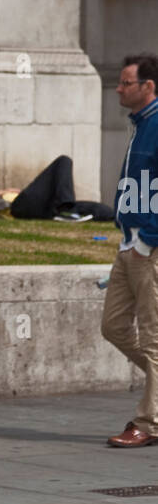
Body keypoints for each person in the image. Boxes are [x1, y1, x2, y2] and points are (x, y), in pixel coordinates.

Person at [101, 54, 158, 448]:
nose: (119, 89)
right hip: (129, 243)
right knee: (114, 327)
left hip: (147, 246)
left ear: (148, 86)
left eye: (126, 83)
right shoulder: (140, 125)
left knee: (154, 339)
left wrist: (147, 240)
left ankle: (148, 421)